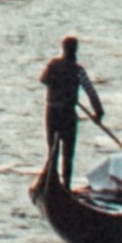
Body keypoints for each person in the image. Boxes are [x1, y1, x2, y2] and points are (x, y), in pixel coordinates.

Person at [40, 36, 105, 186]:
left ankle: (52, 181)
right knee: (68, 153)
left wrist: (57, 84)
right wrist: (98, 112)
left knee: (53, 151)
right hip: (68, 114)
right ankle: (66, 184)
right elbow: (91, 91)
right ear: (76, 50)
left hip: (53, 112)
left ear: (63, 48)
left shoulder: (53, 65)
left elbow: (43, 79)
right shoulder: (78, 70)